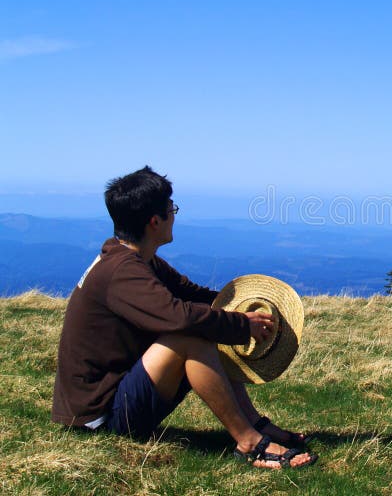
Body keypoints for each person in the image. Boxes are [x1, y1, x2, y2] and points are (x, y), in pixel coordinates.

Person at [51, 166, 316, 469]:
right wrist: (243, 326)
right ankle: (249, 443)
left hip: (108, 397)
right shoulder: (122, 272)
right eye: (171, 209)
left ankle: (254, 424)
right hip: (99, 415)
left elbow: (192, 295)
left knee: (207, 323)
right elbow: (181, 318)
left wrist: (239, 306)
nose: (174, 214)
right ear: (155, 221)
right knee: (192, 336)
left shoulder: (133, 259)